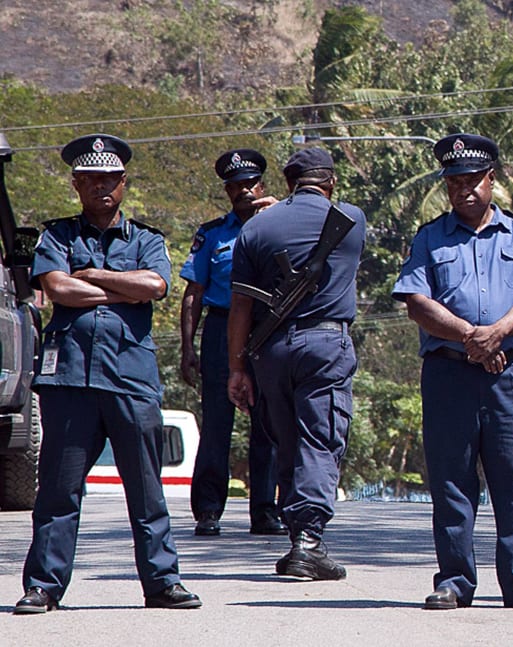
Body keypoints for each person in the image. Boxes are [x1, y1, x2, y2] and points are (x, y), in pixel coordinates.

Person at [15, 134, 201, 614]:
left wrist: (94, 276)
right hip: (70, 380)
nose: (102, 187)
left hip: (130, 378)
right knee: (59, 489)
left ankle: (163, 583)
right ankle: (43, 587)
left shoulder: (147, 239)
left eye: (111, 179)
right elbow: (58, 289)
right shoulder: (56, 237)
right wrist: (123, 290)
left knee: (146, 487)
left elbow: (156, 285)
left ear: (124, 183)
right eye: (92, 179)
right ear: (77, 183)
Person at [392, 133, 513, 611]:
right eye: (454, 183)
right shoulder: (429, 238)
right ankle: (455, 580)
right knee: (451, 479)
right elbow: (417, 304)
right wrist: (473, 336)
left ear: (492, 180)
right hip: (449, 374)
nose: (464, 190)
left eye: (472, 180)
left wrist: (497, 333)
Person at [227, 146, 366, 580]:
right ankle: (308, 541)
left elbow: (240, 307)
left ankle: (297, 538)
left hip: (271, 351)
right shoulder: (352, 220)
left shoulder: (255, 229)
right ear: (332, 182)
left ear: (287, 184)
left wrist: (236, 368)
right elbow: (329, 211)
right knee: (319, 440)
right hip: (326, 344)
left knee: (288, 441)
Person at [180, 148, 282, 537]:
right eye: (236, 185)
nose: (245, 191)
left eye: (251, 183)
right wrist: (188, 348)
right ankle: (208, 511)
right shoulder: (211, 233)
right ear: (227, 190)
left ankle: (266, 512)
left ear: (262, 185)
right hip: (221, 331)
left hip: (266, 330)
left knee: (268, 425)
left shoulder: (277, 225)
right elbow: (194, 291)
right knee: (217, 425)